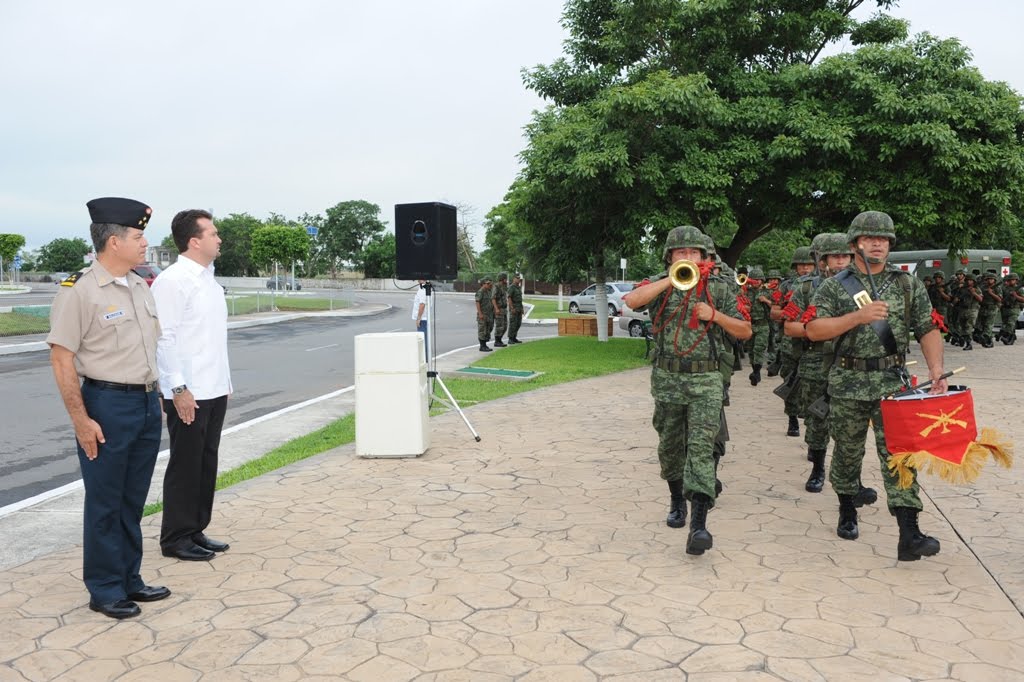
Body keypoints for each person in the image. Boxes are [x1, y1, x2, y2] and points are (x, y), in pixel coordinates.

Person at [47, 197, 170, 619]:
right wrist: (81, 420)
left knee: (132, 500)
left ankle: (129, 578)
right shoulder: (79, 290)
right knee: (105, 502)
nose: (145, 243)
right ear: (114, 241)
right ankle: (104, 588)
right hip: (106, 405)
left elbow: (149, 349)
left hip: (145, 403)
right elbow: (61, 359)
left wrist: (157, 397)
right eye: (138, 236)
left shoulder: (138, 285)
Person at [806, 211, 945, 562]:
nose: (878, 244)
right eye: (870, 238)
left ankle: (909, 533)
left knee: (901, 454)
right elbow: (814, 330)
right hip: (847, 382)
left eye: (883, 239)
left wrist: (937, 370)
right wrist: (857, 317)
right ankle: (847, 508)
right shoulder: (834, 286)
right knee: (848, 451)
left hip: (892, 382)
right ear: (855, 244)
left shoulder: (906, 284)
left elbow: (927, 328)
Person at [623, 226, 751, 556]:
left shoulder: (719, 287)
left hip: (706, 380)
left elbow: (744, 330)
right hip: (667, 379)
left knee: (702, 448)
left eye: (694, 253)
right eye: (682, 253)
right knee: (670, 446)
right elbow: (632, 301)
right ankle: (676, 499)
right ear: (669, 257)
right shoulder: (658, 284)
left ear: (705, 257)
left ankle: (699, 525)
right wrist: (671, 279)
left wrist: (715, 315)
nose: (689, 257)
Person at [151, 209, 233, 562]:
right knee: (185, 464)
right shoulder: (173, 281)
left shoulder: (209, 281)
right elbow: (163, 338)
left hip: (213, 387)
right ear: (194, 241)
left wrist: (225, 382)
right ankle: (175, 537)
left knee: (205, 461)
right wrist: (177, 389)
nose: (219, 239)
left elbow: (211, 339)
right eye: (213, 233)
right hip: (188, 392)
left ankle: (195, 528)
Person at [475, 278, 494, 351]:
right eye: (488, 284)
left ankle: (485, 345)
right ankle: (482, 346)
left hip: (489, 314)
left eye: (490, 284)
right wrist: (480, 313)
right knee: (482, 330)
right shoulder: (480, 292)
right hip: (483, 314)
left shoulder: (488, 291)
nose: (489, 285)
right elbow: (477, 302)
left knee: (488, 329)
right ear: (483, 284)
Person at [412, 278, 430, 358]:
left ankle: (425, 359)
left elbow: (422, 305)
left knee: (423, 341)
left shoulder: (423, 289)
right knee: (424, 340)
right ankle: (425, 358)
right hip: (424, 318)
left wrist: (418, 318)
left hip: (423, 319)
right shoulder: (424, 287)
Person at [507, 274, 525, 343]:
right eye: (517, 278)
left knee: (518, 324)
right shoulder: (511, 287)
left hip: (519, 308)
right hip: (514, 308)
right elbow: (509, 298)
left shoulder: (518, 287)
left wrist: (522, 308)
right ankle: (510, 338)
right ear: (514, 279)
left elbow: (520, 299)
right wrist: (512, 308)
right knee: (513, 324)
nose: (519, 280)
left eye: (519, 279)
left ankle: (514, 337)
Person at [492, 273, 509, 347]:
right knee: (499, 326)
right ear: (503, 279)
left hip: (503, 309)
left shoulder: (503, 286)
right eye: (505, 279)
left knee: (504, 326)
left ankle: (499, 339)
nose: (506, 280)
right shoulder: (496, 286)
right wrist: (496, 309)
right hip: (499, 309)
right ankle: (497, 341)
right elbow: (493, 298)